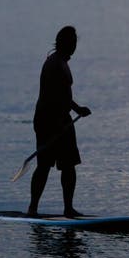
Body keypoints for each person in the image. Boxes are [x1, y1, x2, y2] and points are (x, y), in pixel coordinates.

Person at [28, 25, 91, 218]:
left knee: (69, 166)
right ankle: (32, 209)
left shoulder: (62, 62)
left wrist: (76, 109)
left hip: (63, 120)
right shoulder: (54, 64)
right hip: (48, 121)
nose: (74, 46)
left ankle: (68, 209)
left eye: (75, 42)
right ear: (62, 43)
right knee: (44, 165)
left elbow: (64, 95)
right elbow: (54, 95)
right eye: (71, 42)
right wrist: (73, 111)